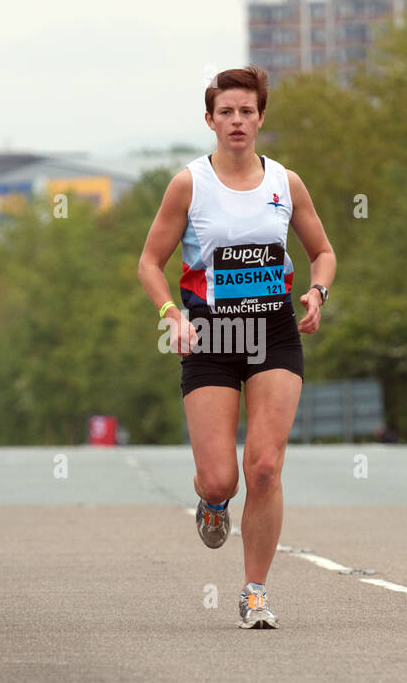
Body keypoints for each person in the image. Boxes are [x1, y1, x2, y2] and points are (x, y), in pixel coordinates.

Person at [138, 66, 336, 629]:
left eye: (246, 111)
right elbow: (149, 263)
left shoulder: (285, 183)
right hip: (211, 335)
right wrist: (170, 315)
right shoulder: (189, 184)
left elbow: (323, 250)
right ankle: (213, 500)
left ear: (260, 119)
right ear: (210, 120)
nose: (237, 121)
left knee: (267, 468)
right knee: (223, 476)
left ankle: (254, 592)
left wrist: (318, 291)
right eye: (226, 112)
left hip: (273, 330)